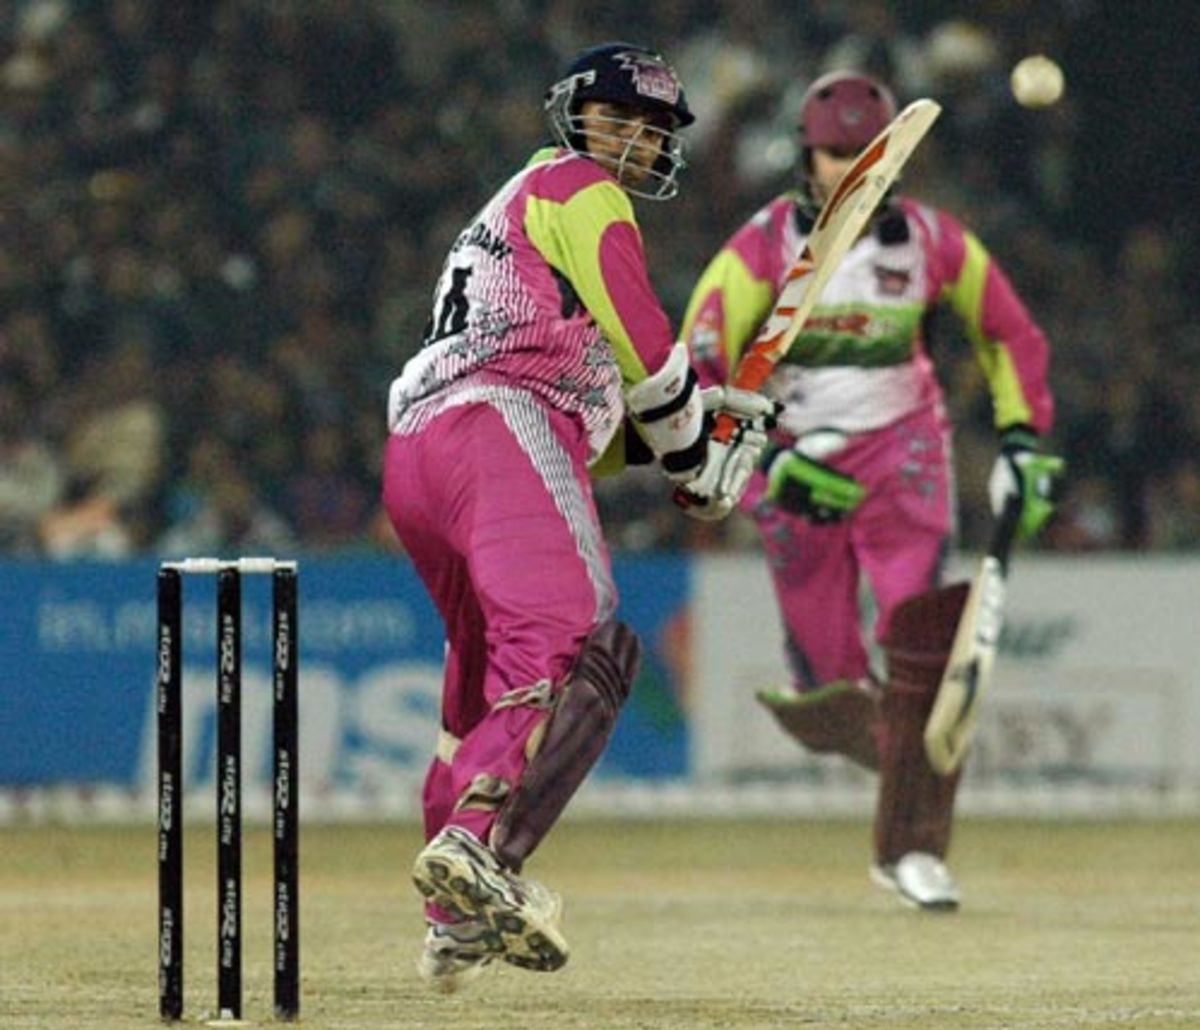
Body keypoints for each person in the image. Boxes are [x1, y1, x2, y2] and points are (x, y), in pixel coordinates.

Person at [382, 42, 774, 991]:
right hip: (493, 423)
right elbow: (647, 346)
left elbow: (590, 435)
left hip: (426, 451)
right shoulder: (579, 188)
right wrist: (695, 449)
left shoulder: (525, 221)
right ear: (577, 115)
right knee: (570, 629)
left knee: (495, 680)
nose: (638, 139)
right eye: (622, 118)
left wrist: (692, 435)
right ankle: (480, 846)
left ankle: (456, 917)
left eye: (654, 129)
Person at [679, 70, 1062, 911]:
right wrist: (769, 469)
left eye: (870, 155)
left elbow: (1007, 334)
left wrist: (1023, 436)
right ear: (804, 155)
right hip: (792, 463)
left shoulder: (930, 239)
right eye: (835, 155)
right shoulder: (760, 247)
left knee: (921, 645)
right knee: (830, 691)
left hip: (905, 455)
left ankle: (912, 849)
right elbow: (697, 370)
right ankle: (898, 747)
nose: (853, 171)